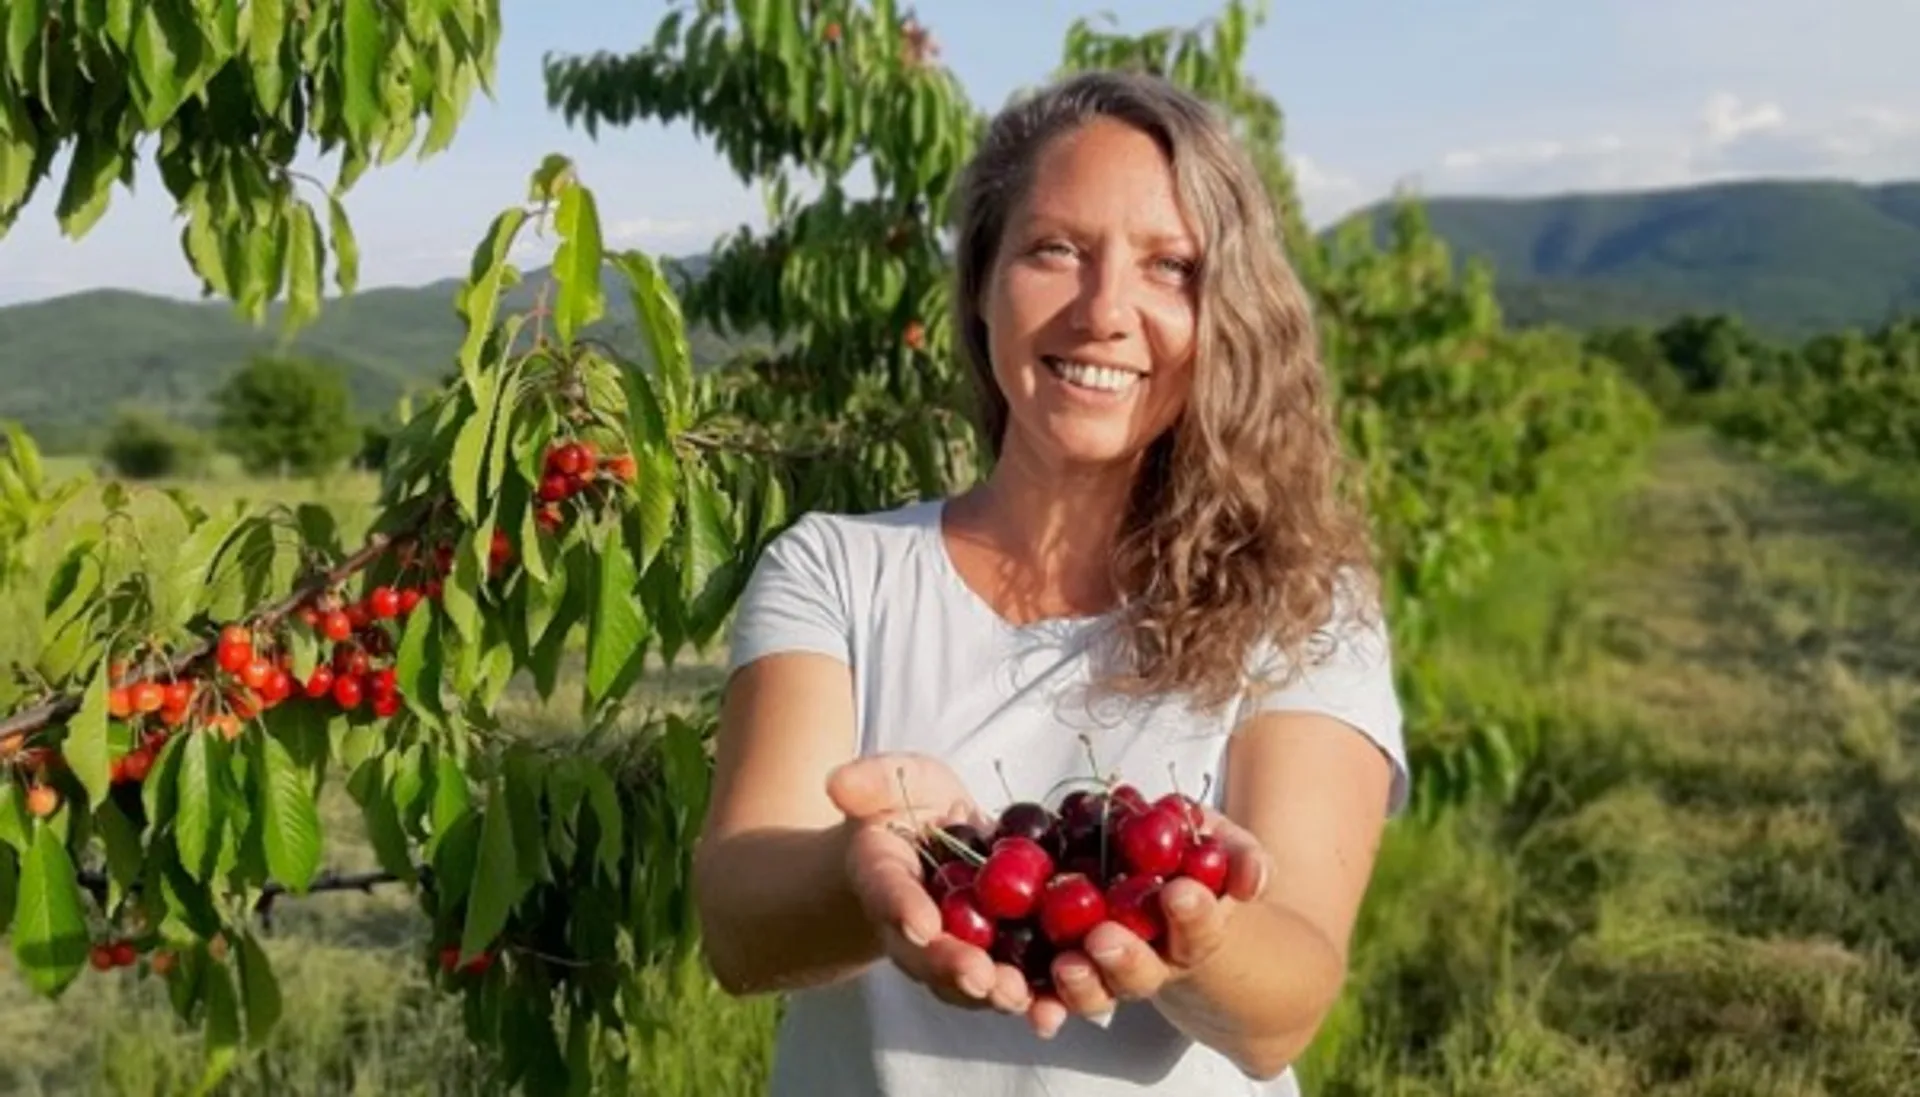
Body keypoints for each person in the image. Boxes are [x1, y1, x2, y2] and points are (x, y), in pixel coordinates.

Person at [691, 68, 1408, 1096]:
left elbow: (1287, 1004)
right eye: (1054, 249)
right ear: (983, 286)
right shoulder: (836, 569)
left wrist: (1189, 921)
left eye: (1170, 267)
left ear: (1225, 316)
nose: (1105, 310)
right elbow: (739, 923)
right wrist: (869, 867)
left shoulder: (1302, 602)